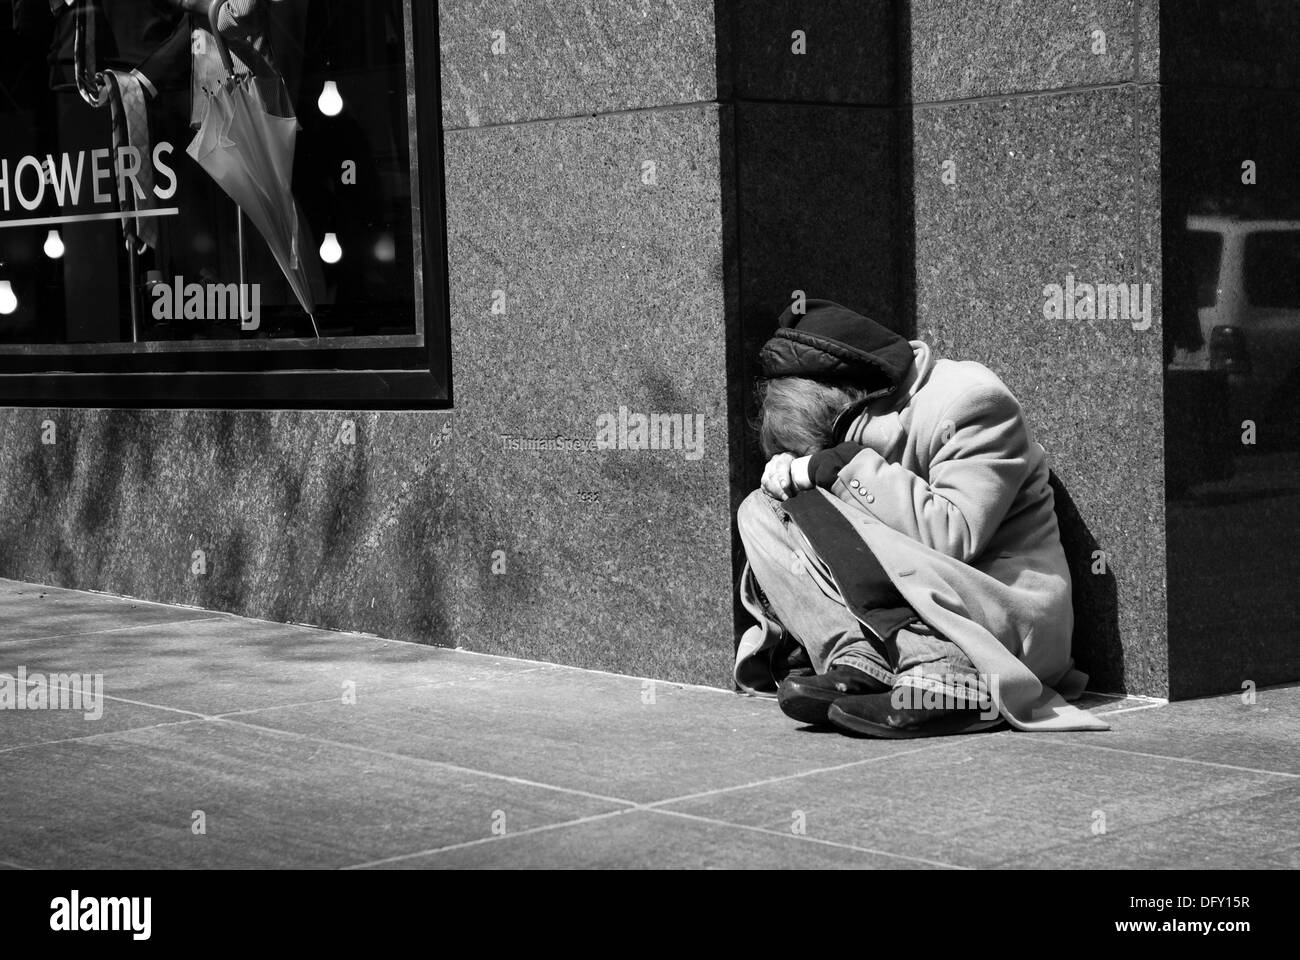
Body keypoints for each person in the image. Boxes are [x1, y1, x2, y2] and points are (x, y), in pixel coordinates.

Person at [735, 299, 1109, 738]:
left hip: (992, 615)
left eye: (818, 443)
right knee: (763, 508)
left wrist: (835, 466)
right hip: (915, 601)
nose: (813, 456)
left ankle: (947, 676)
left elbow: (954, 534)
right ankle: (860, 659)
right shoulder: (864, 421)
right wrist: (800, 477)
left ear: (848, 407)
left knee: (807, 499)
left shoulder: (972, 402)